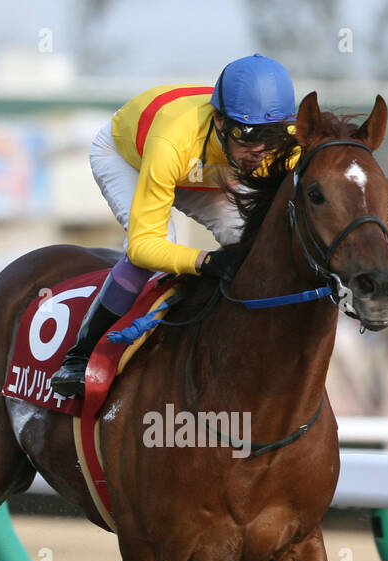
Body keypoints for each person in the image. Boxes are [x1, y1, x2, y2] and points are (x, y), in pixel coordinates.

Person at [50, 53, 301, 398]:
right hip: (130, 157)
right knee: (157, 248)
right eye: (247, 135)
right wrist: (206, 261)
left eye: (271, 136)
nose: (260, 150)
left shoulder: (285, 146)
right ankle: (80, 357)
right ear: (219, 121)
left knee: (248, 242)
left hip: (208, 170)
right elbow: (143, 245)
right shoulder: (173, 140)